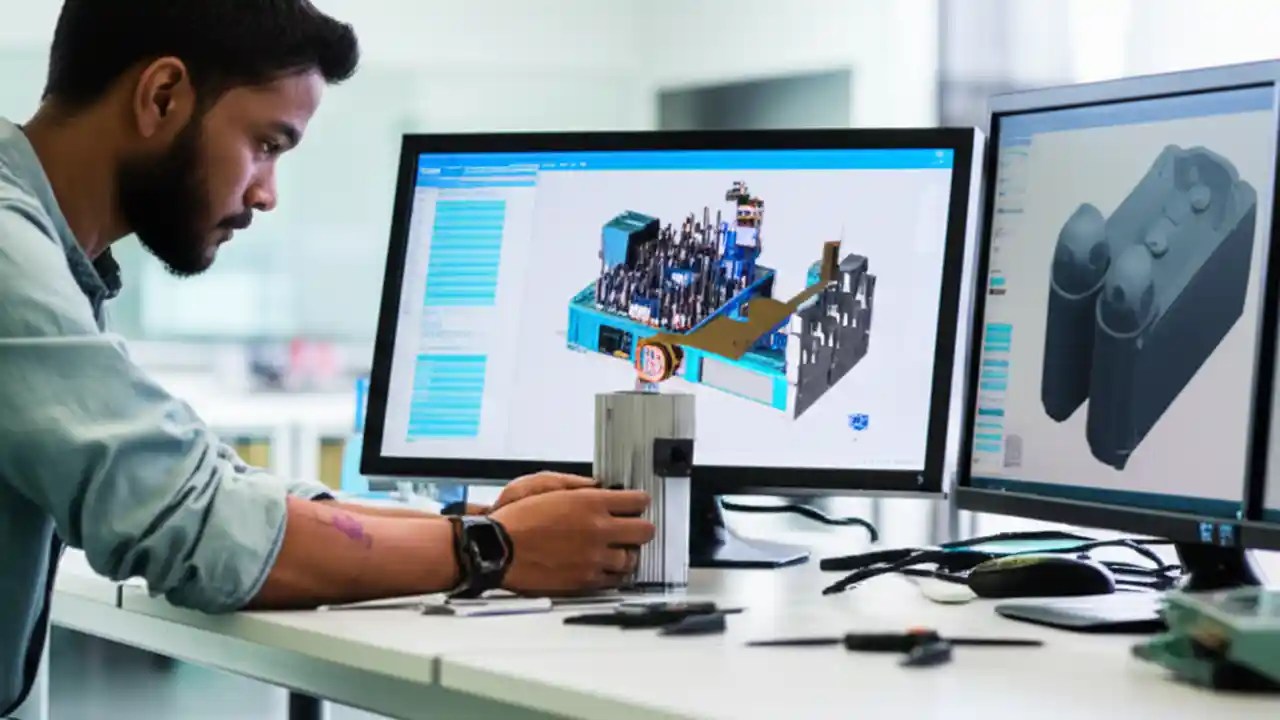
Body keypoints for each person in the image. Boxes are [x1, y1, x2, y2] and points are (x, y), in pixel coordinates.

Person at [0, 2, 655, 716]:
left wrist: (475, 516)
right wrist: (494, 551)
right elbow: (199, 528)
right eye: (267, 143)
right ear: (162, 96)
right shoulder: (8, 254)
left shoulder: (47, 253)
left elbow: (200, 481)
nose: (266, 193)